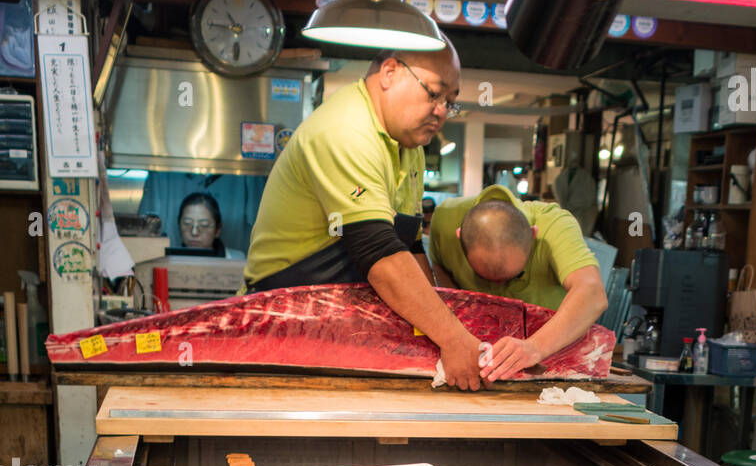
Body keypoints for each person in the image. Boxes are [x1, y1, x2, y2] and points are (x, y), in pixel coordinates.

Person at [243, 44, 485, 389]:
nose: (441, 111)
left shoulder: (409, 148)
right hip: (280, 328)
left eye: (450, 101)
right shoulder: (345, 130)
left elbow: (410, 247)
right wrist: (453, 338)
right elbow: (380, 255)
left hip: (344, 335)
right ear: (389, 73)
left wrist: (438, 328)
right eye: (434, 93)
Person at [430, 184, 608, 381]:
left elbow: (592, 293)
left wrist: (535, 347)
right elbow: (440, 270)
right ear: (458, 235)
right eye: (484, 278)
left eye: (513, 277)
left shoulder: (555, 225)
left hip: (550, 363)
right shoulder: (445, 220)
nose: (498, 291)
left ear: (534, 235)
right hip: (474, 359)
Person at [177, 192, 243, 257]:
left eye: (204, 225)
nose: (194, 232)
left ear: (218, 230)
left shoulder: (237, 260)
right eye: (187, 223)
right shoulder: (168, 259)